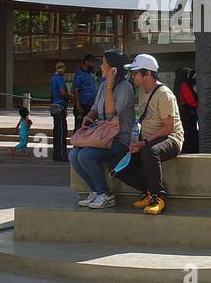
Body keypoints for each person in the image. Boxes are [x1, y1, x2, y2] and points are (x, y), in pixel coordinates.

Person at [115, 53, 184, 215]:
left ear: (147, 73)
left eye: (135, 72)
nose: (132, 76)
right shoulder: (142, 91)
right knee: (117, 165)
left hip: (171, 139)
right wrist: (138, 142)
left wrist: (144, 143)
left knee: (149, 151)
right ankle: (148, 191)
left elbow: (169, 127)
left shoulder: (164, 94)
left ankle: (158, 197)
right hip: (148, 140)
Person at [70, 49, 134, 209]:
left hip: (119, 139)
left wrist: (109, 87)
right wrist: (89, 115)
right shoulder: (103, 85)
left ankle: (106, 194)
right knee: (73, 155)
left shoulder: (125, 87)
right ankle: (96, 191)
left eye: (104, 63)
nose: (101, 66)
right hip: (103, 136)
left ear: (113, 68)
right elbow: (96, 108)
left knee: (85, 155)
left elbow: (112, 112)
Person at [49, 61, 70, 162]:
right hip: (60, 105)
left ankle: (56, 154)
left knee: (57, 131)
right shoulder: (60, 79)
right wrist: (69, 97)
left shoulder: (53, 78)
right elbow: (62, 92)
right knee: (62, 131)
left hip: (54, 105)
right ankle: (61, 154)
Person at [175, 67, 199, 154]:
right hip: (187, 114)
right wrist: (198, 105)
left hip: (183, 112)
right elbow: (190, 100)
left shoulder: (178, 84)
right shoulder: (184, 85)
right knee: (190, 133)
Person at [72, 55, 97, 132]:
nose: (93, 64)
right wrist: (78, 105)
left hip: (91, 105)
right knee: (79, 128)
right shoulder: (79, 75)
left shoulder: (91, 74)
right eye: (91, 62)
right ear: (86, 62)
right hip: (83, 104)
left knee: (89, 128)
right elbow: (76, 90)